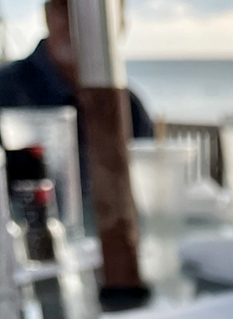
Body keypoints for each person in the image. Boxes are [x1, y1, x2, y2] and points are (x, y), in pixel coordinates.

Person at [0, 0, 154, 190]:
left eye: (96, 10)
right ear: (47, 14)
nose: (77, 21)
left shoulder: (131, 108)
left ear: (121, 23)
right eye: (65, 6)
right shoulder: (4, 91)